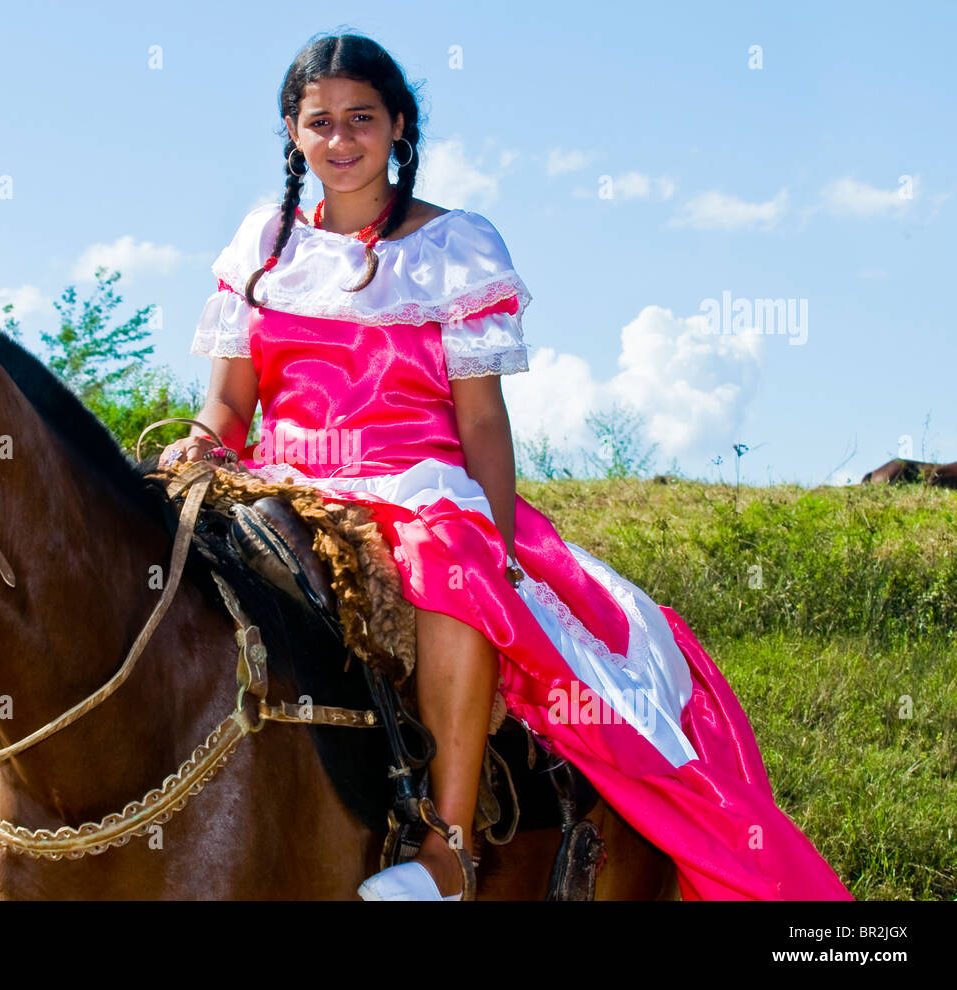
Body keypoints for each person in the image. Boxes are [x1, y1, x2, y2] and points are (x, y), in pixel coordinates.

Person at [165, 33, 852, 901]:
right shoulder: (260, 246)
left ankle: (447, 851)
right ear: (294, 135)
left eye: (362, 119)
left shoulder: (456, 247)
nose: (341, 141)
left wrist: (495, 541)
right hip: (282, 481)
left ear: (399, 126)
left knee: (449, 571)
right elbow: (228, 405)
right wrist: (199, 442)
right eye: (320, 123)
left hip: (418, 483)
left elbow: (481, 420)